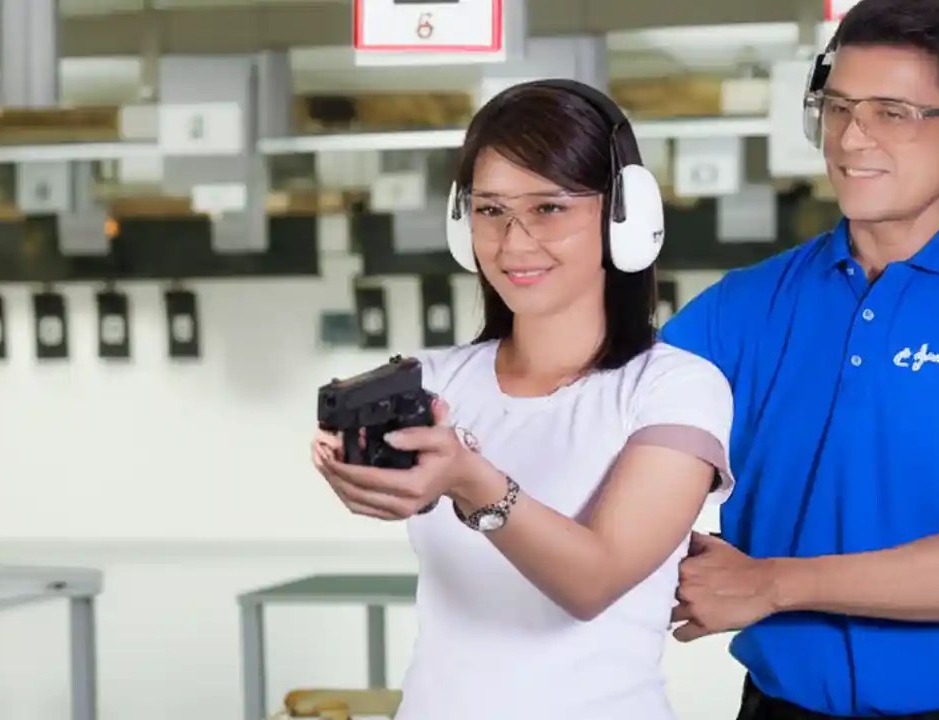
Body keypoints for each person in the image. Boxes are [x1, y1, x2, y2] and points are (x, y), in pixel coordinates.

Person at [660, 0, 939, 718]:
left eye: (893, 113)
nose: (850, 138)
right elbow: (608, 420)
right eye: (838, 108)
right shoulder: (742, 305)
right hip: (777, 707)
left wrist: (774, 583)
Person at [310, 79, 735, 720]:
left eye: (549, 208)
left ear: (624, 215)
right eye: (490, 210)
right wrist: (356, 467)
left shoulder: (675, 388)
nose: (513, 243)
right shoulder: (436, 381)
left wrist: (471, 480)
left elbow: (593, 581)